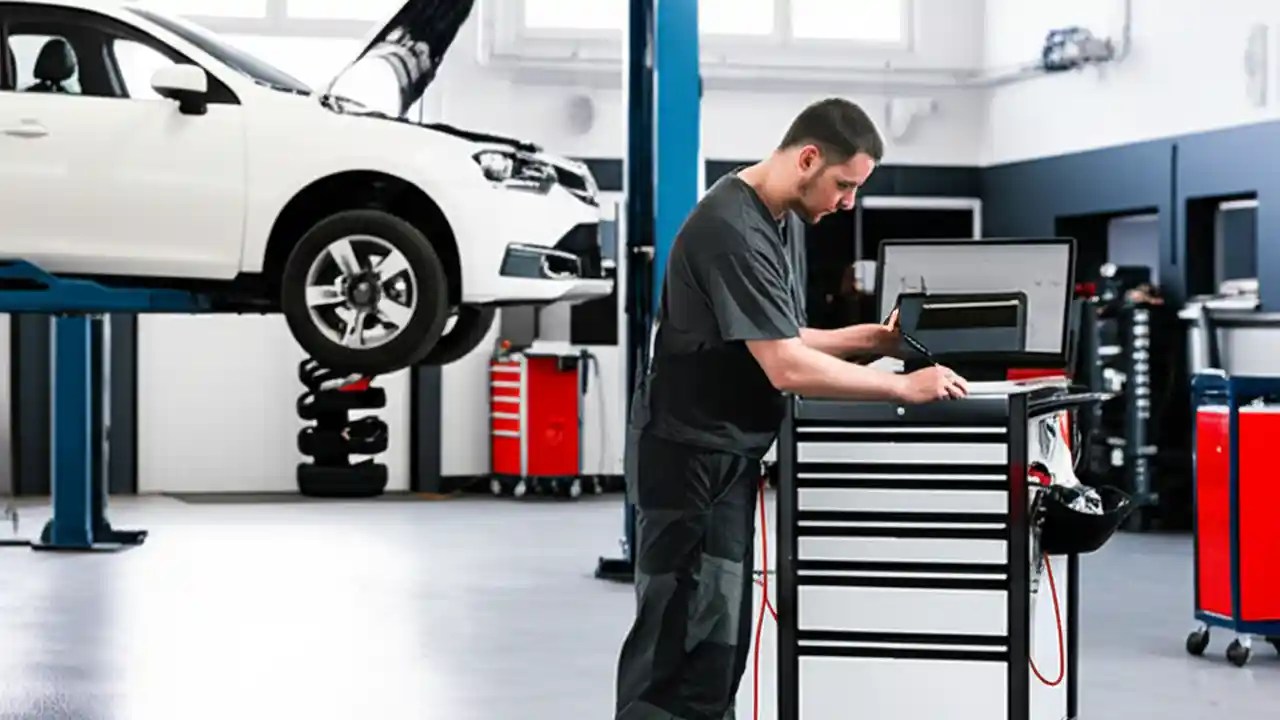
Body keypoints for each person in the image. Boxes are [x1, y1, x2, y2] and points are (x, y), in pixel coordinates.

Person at [613, 98, 970, 720]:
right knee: (680, 655)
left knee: (717, 648)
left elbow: (777, 333)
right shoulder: (729, 227)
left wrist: (870, 340)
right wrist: (899, 387)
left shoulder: (766, 216)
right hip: (692, 460)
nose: (847, 203)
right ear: (808, 158)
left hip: (720, 456)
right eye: (845, 184)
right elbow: (785, 365)